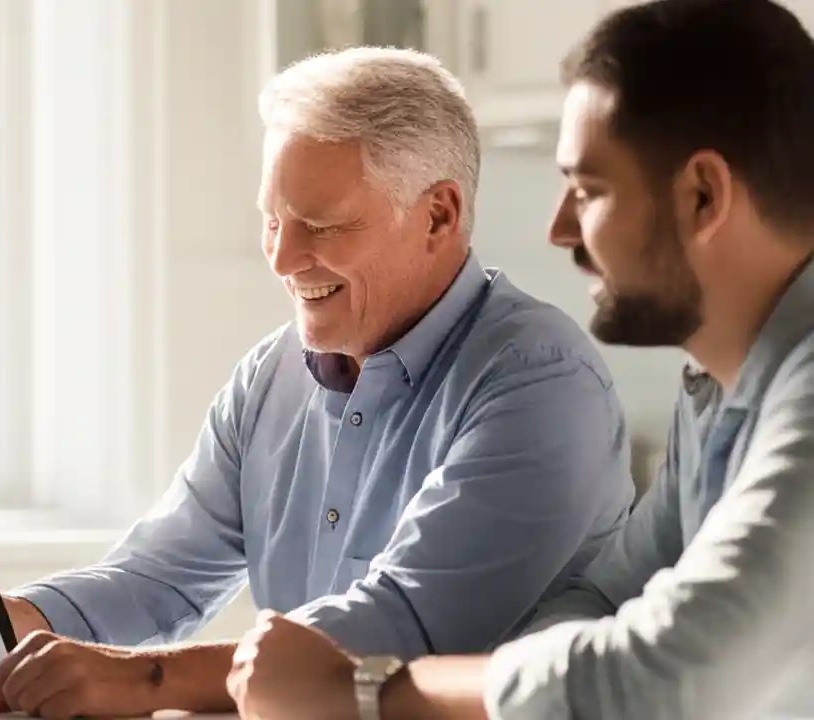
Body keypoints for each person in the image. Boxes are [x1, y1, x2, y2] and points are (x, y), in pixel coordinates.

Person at [0, 46, 634, 719]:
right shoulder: (270, 376)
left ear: (438, 216)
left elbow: (402, 625)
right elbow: (156, 578)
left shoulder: (538, 383)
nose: (283, 256)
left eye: (321, 224)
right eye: (272, 219)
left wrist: (140, 678)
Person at [226, 2, 814, 719]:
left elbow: (663, 677)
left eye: (590, 190)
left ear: (702, 196)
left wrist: (371, 691)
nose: (559, 226)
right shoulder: (719, 398)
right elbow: (600, 600)